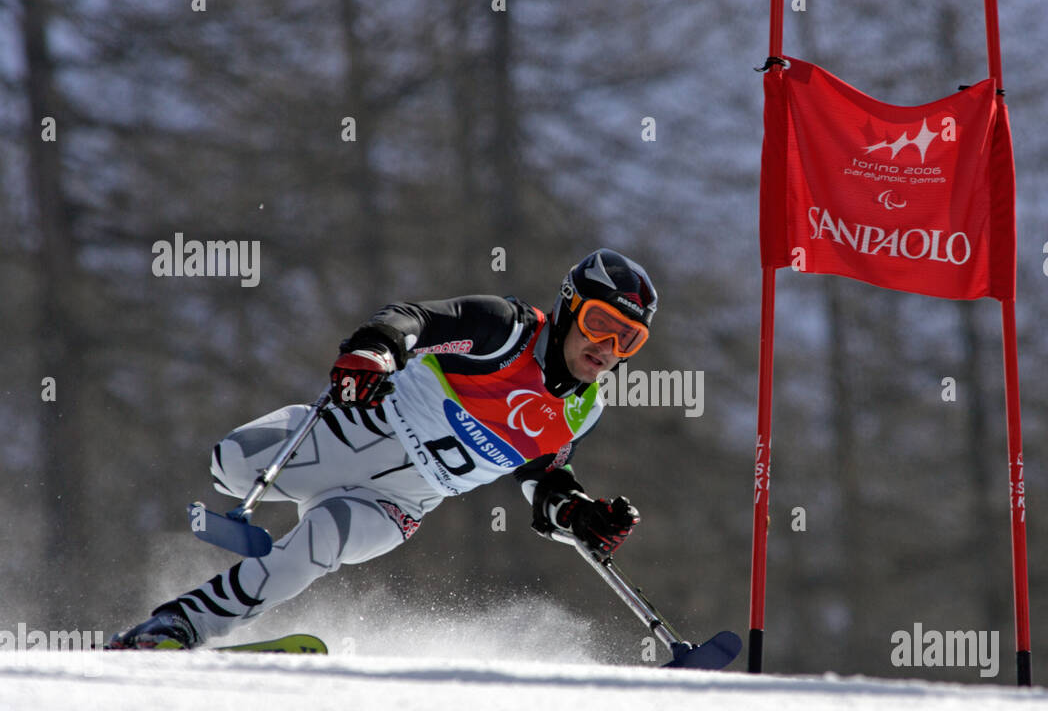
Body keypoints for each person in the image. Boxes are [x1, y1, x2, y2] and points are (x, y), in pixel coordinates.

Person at [108, 249, 657, 649]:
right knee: (230, 462)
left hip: (399, 503)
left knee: (318, 544)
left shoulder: (583, 410)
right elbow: (414, 320)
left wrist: (580, 514)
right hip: (348, 436)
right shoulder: (505, 330)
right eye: (600, 324)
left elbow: (544, 482)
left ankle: (178, 628)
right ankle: (244, 510)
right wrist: (374, 351)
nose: (606, 349)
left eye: (628, 340)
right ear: (569, 307)